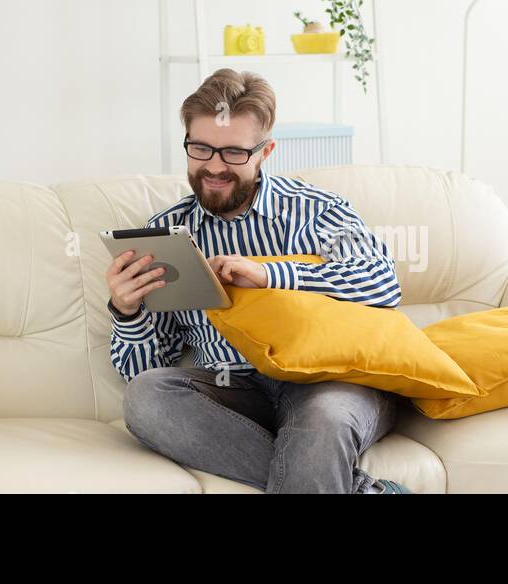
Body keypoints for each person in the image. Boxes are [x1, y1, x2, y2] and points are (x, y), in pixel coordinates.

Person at [105, 68, 412, 494]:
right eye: (201, 148)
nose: (214, 166)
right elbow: (147, 367)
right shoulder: (167, 232)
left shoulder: (318, 209)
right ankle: (363, 489)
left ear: (265, 152)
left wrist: (271, 274)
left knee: (323, 421)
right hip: (235, 392)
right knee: (146, 397)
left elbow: (381, 282)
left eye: (233, 152)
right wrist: (128, 312)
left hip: (327, 382)